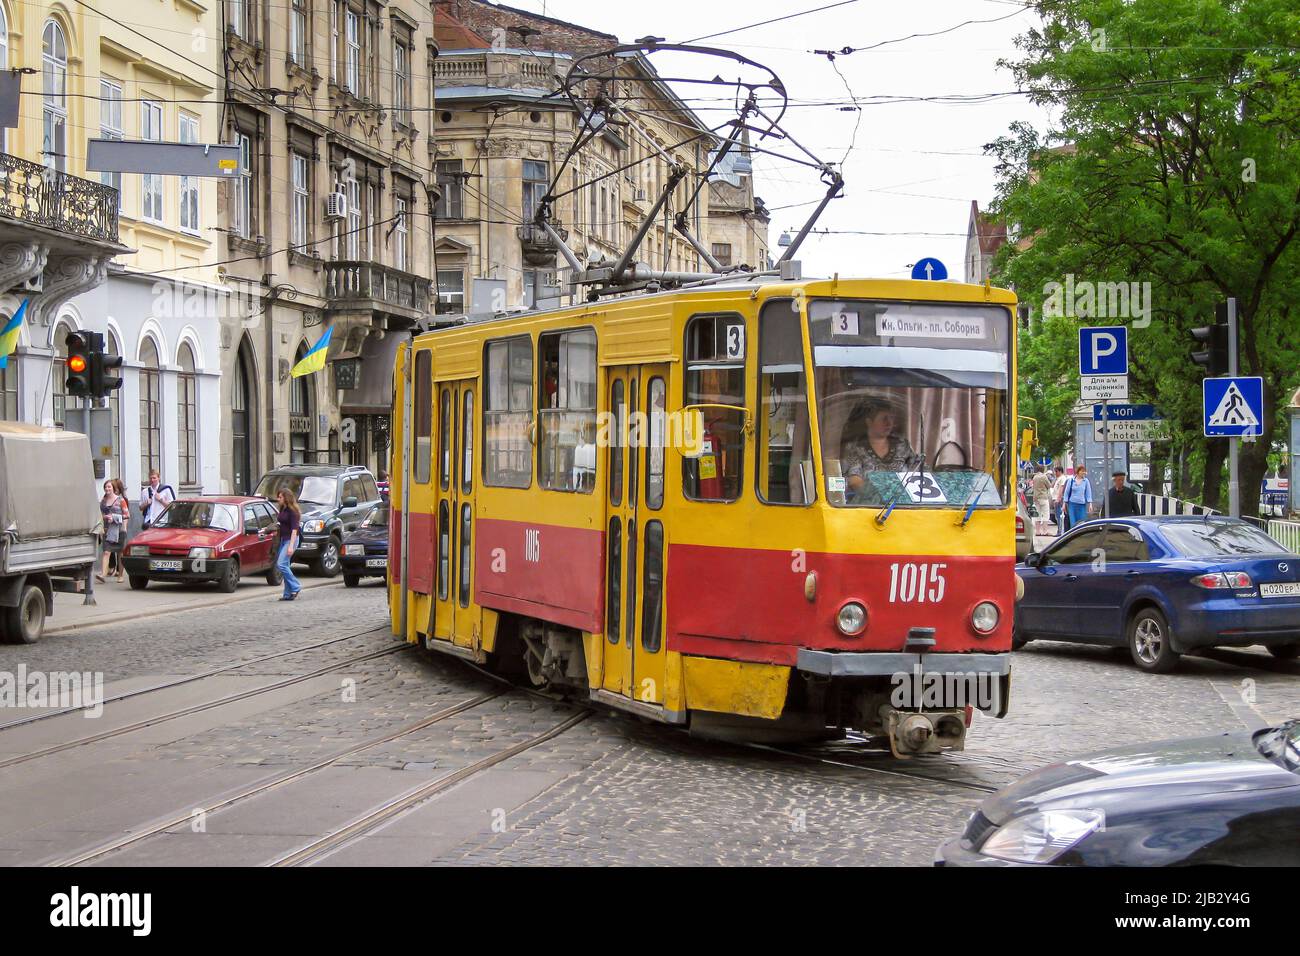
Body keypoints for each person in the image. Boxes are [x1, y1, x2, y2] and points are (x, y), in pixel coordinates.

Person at [843, 399, 918, 498]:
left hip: (904, 503)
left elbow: (920, 470)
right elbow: (854, 480)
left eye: (891, 418)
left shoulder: (902, 444)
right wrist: (881, 497)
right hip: (871, 506)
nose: (889, 423)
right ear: (869, 422)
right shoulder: (855, 447)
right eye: (884, 418)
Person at [97, 479, 129, 582]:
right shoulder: (103, 501)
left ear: (114, 489)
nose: (107, 489)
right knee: (106, 552)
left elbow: (127, 515)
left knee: (120, 552)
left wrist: (114, 517)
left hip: (119, 530)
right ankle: (103, 574)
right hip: (107, 530)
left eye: (109, 487)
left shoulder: (121, 500)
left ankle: (120, 575)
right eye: (106, 487)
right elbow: (100, 515)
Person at [275, 488, 302, 601]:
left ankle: (296, 586)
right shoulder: (283, 508)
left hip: (291, 539)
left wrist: (291, 546)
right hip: (283, 539)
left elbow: (294, 530)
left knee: (281, 564)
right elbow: (281, 523)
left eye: (280, 497)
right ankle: (288, 594)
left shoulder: (293, 511)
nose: (278, 499)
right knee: (284, 565)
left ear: (286, 498)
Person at [1062, 465, 1094, 531]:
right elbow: (1066, 493)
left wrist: (1090, 504)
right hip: (1072, 505)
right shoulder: (1071, 480)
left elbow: (1088, 493)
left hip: (1082, 505)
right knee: (1073, 523)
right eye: (1082, 471)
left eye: (1084, 471)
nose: (1083, 473)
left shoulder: (1086, 481)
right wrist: (1064, 504)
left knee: (1082, 523)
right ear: (1078, 471)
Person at [1031, 465, 1053, 535]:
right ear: (1043, 469)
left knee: (1038, 514)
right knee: (1046, 514)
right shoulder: (1044, 477)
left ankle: (1037, 531)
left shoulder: (1035, 477)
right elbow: (1049, 486)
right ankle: (1045, 531)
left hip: (1035, 498)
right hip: (1043, 497)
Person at [1051, 465, 1068, 533]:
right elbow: (1052, 486)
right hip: (1056, 498)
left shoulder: (1063, 478)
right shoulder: (1058, 478)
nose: (1055, 473)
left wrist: (1058, 499)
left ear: (1060, 471)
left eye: (1056, 471)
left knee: (1059, 516)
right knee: (1057, 515)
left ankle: (1060, 531)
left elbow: (1061, 489)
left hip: (1059, 499)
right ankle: (1059, 530)